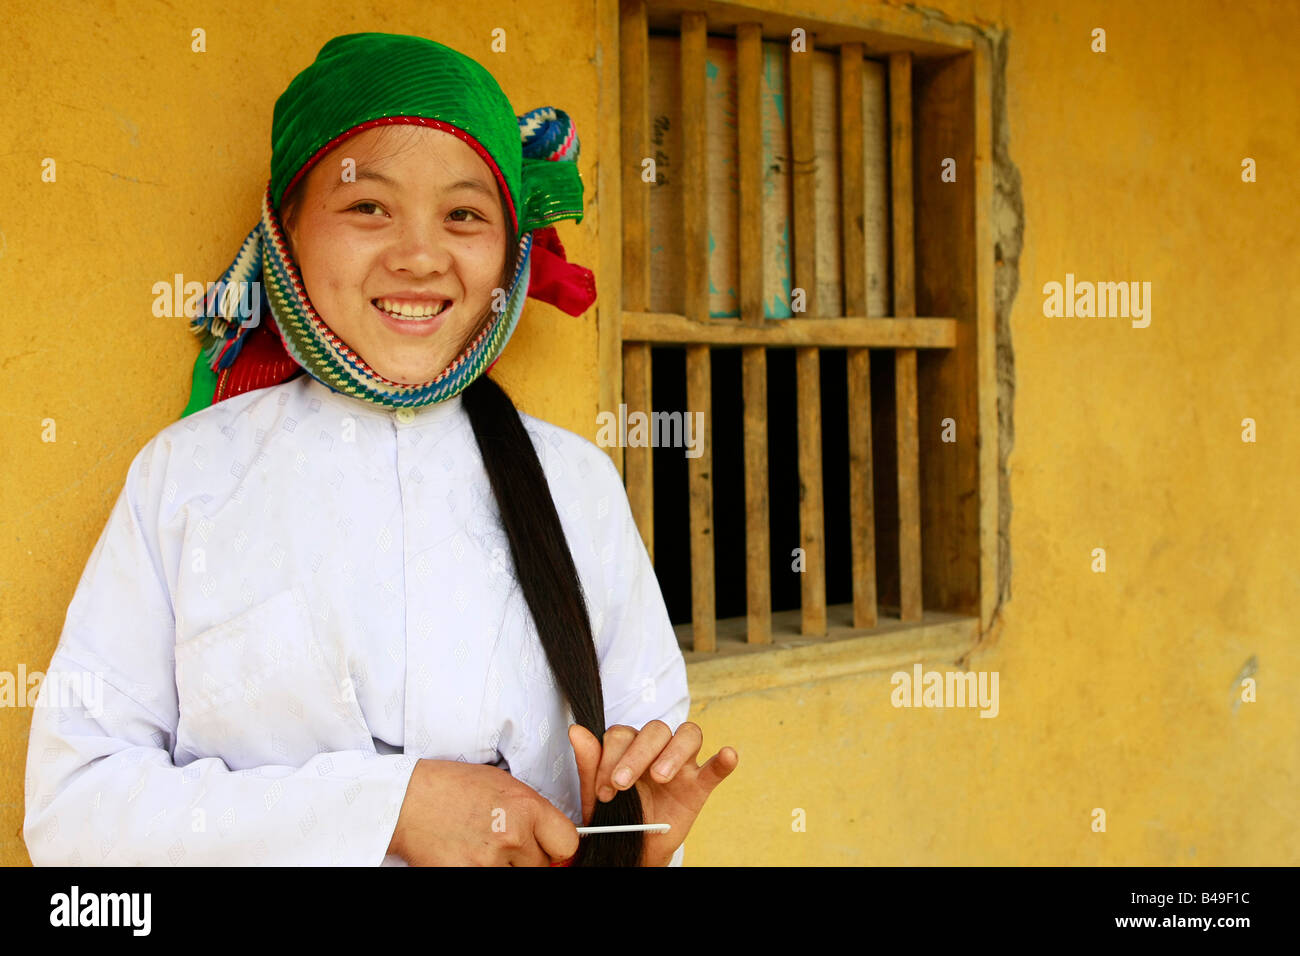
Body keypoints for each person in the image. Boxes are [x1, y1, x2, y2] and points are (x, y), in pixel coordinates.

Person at [23, 32, 736, 867]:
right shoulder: (185, 477)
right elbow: (74, 814)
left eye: (465, 215)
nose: (420, 256)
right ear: (283, 229)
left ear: (510, 251)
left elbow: (636, 770)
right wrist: (385, 811)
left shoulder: (579, 484)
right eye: (368, 206)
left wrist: (634, 845)